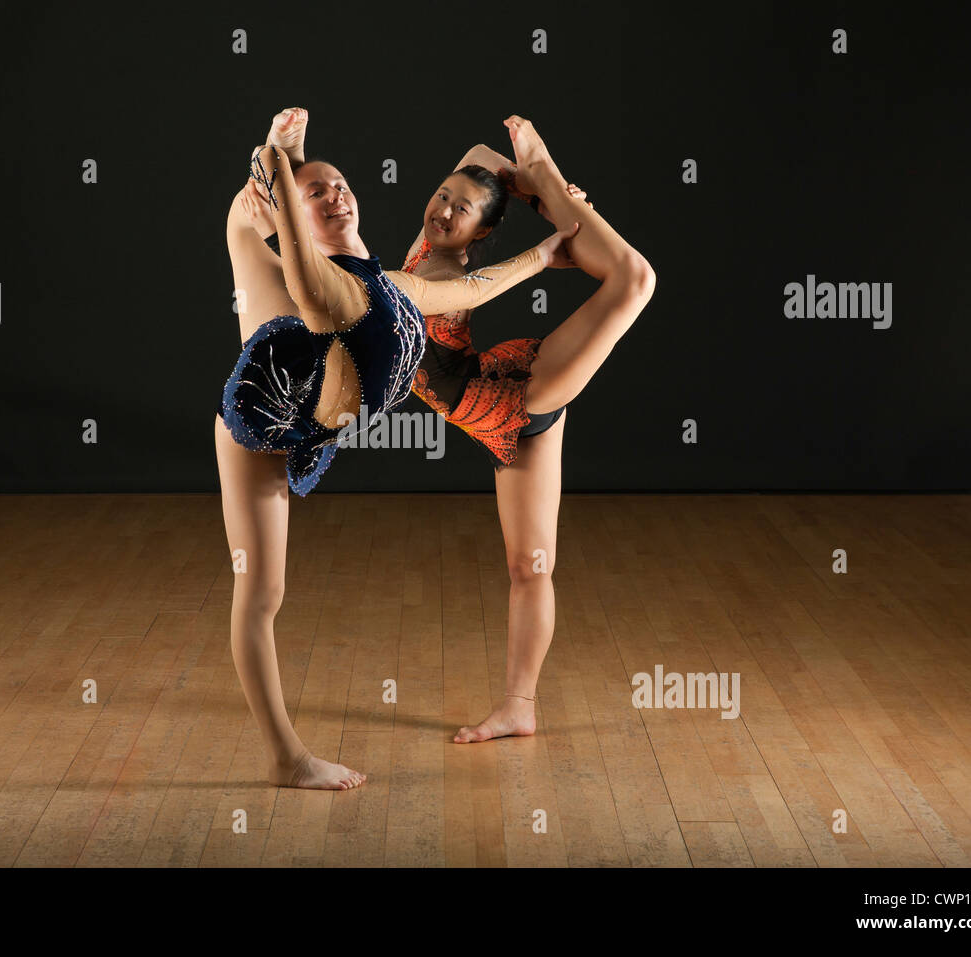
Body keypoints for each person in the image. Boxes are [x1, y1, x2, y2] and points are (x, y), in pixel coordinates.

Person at [215, 108, 578, 788]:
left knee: (252, 237)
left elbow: (468, 287)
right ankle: (288, 758)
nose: (337, 193)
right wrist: (277, 154)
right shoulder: (321, 285)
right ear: (295, 218)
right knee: (262, 592)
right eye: (316, 193)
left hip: (311, 379)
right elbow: (293, 247)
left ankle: (268, 189)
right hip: (262, 428)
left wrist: (546, 253)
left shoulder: (390, 286)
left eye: (341, 183)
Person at [399, 116, 656, 743]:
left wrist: (549, 196)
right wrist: (525, 185)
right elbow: (479, 154)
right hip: (495, 414)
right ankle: (519, 707)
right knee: (530, 567)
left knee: (634, 282)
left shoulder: (449, 275)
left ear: (480, 233)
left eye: (461, 210)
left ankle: (557, 185)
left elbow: (475, 290)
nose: (443, 209)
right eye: (441, 195)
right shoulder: (425, 248)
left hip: (519, 395)